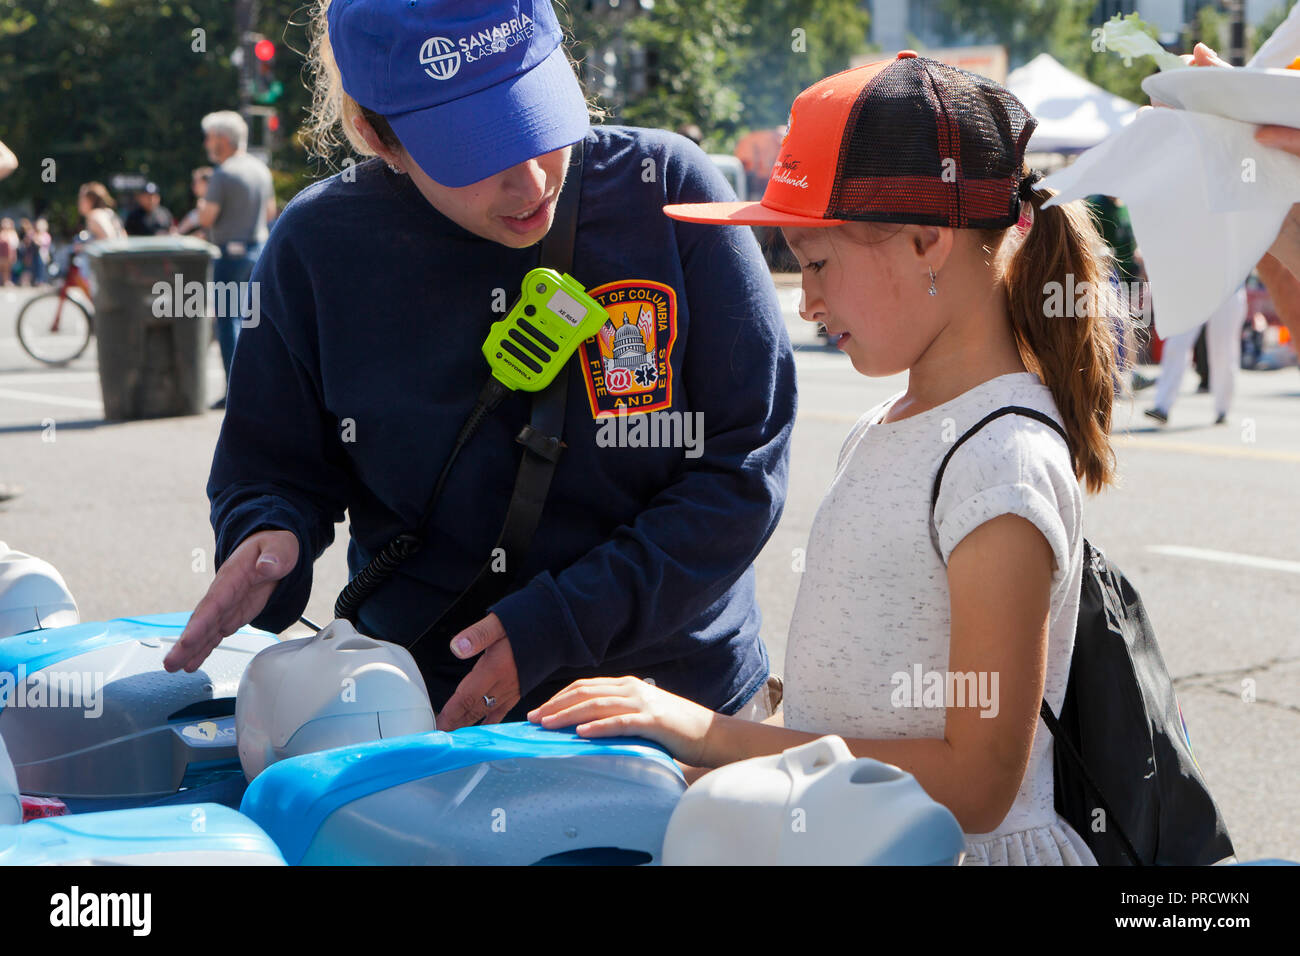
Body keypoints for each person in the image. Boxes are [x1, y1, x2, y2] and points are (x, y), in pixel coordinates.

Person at [532, 52, 1128, 866]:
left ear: (927, 240)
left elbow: (980, 782)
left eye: (817, 263)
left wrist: (710, 733)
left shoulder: (999, 461)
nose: (806, 303)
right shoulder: (895, 421)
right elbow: (846, 701)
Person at [164, 0, 796, 734]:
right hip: (418, 709)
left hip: (675, 703)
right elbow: (270, 468)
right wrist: (267, 534)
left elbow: (744, 466)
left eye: (537, 121)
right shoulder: (318, 244)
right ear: (377, 137)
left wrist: (561, 622)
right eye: (475, 149)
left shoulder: (667, 189)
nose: (531, 184)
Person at [197, 111, 276, 407]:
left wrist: (202, 204)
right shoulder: (260, 170)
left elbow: (207, 217)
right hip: (258, 251)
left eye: (210, 137)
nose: (207, 143)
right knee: (252, 321)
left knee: (228, 323)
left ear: (223, 139)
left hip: (229, 254)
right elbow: (270, 213)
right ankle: (258, 385)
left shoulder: (224, 173)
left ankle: (235, 390)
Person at [1144, 283, 1246, 426]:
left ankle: (1223, 408)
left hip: (1229, 284)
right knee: (1177, 342)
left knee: (1223, 350)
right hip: (1193, 283)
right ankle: (1162, 406)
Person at [176, 167, 213, 239]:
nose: (193, 186)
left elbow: (207, 233)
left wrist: (184, 238)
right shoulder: (202, 202)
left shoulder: (206, 203)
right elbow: (190, 220)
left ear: (205, 183)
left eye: (196, 182)